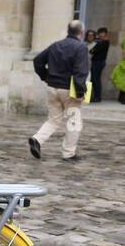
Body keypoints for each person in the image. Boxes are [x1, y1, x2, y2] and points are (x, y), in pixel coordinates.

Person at [30, 20, 91, 162]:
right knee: (74, 121)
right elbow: (80, 72)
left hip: (52, 88)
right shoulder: (81, 47)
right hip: (69, 90)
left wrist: (46, 77)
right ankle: (68, 153)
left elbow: (37, 61)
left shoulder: (56, 45)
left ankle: (37, 139)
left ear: (68, 31)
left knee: (53, 120)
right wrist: (81, 93)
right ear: (81, 33)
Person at [89, 28, 110, 103]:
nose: (100, 34)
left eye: (102, 33)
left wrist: (93, 49)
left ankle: (97, 97)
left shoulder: (104, 42)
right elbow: (91, 51)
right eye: (99, 33)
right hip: (97, 62)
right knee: (94, 79)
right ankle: (95, 97)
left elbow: (93, 51)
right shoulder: (100, 42)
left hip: (99, 62)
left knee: (95, 80)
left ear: (105, 34)